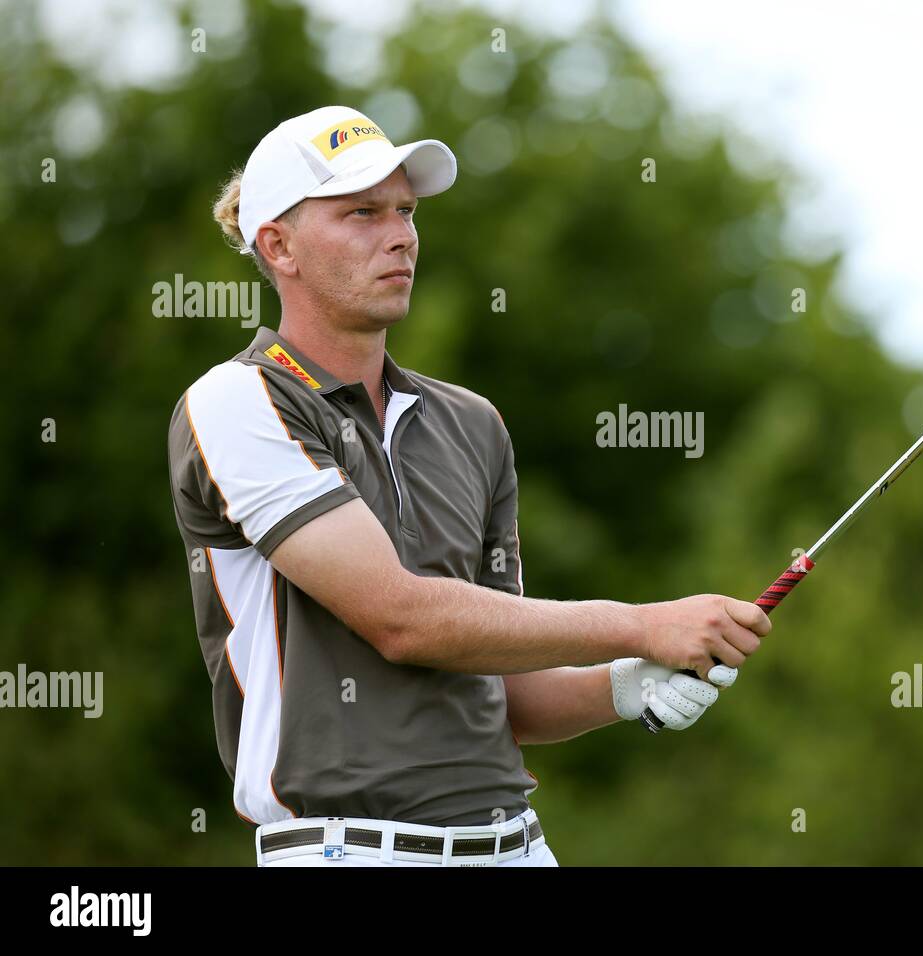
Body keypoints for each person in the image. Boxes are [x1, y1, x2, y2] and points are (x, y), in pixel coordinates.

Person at [166, 106, 771, 867]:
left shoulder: (472, 422)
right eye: (362, 212)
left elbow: (503, 684)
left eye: (406, 212)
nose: (401, 236)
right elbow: (403, 619)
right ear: (278, 245)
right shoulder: (236, 402)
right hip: (348, 852)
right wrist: (644, 625)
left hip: (518, 847)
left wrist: (623, 686)